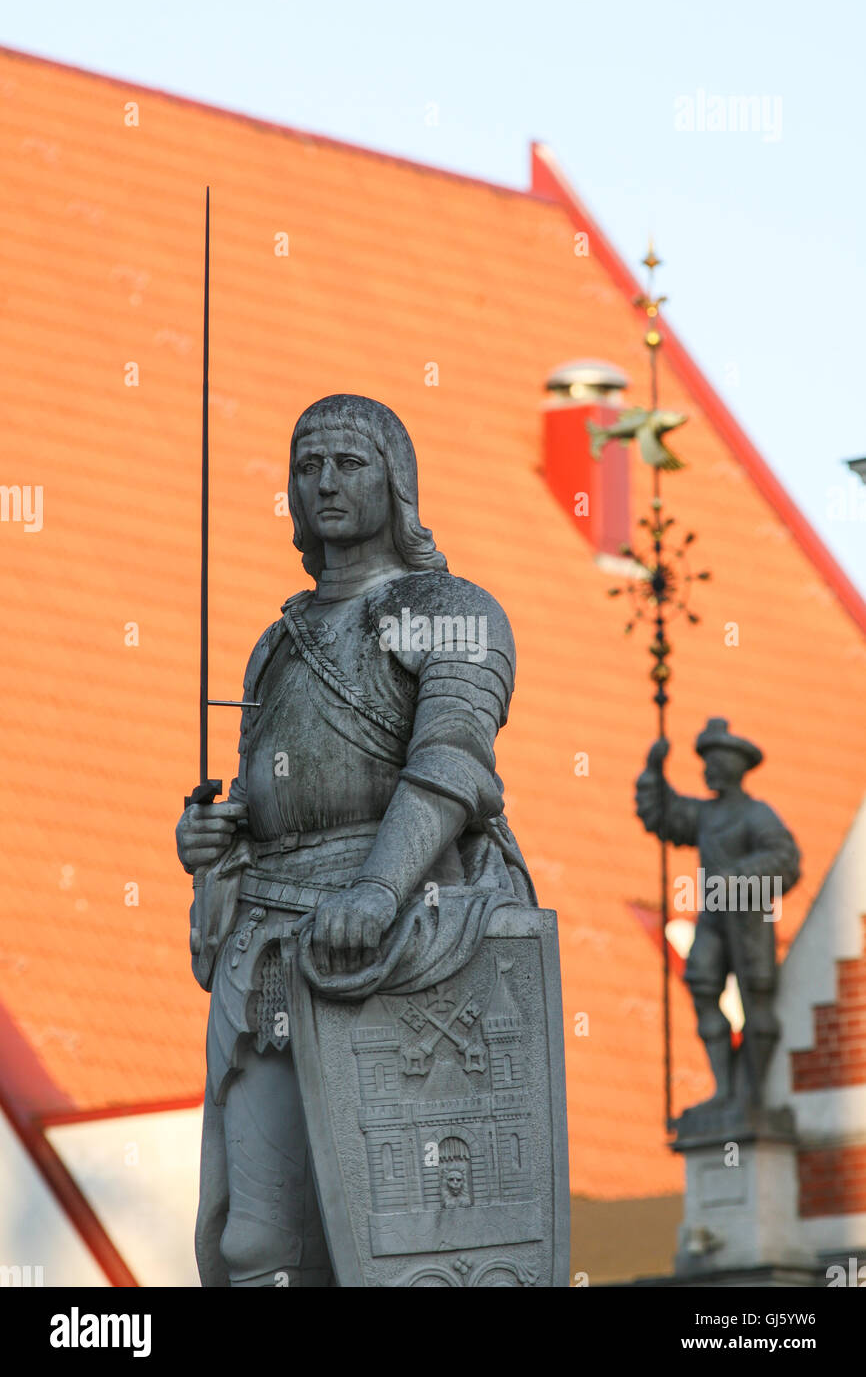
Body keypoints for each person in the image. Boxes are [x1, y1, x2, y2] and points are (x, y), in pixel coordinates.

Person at [176, 394, 535, 1286]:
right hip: (267, 944)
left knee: (387, 1237)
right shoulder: (277, 642)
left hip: (404, 934)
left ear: (396, 482)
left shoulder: (448, 608)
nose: (326, 482)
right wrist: (215, 838)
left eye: (350, 462)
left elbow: (453, 761)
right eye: (308, 467)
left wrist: (377, 892)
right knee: (253, 1239)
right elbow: (271, 797)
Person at [635, 718, 800, 1108]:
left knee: (755, 996)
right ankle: (725, 1089)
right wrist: (654, 770)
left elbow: (784, 859)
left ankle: (753, 1092)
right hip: (713, 917)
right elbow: (663, 814)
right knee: (703, 984)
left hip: (748, 918)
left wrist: (739, 876)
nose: (706, 768)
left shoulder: (757, 815)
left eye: (713, 760)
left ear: (731, 766)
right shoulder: (707, 815)